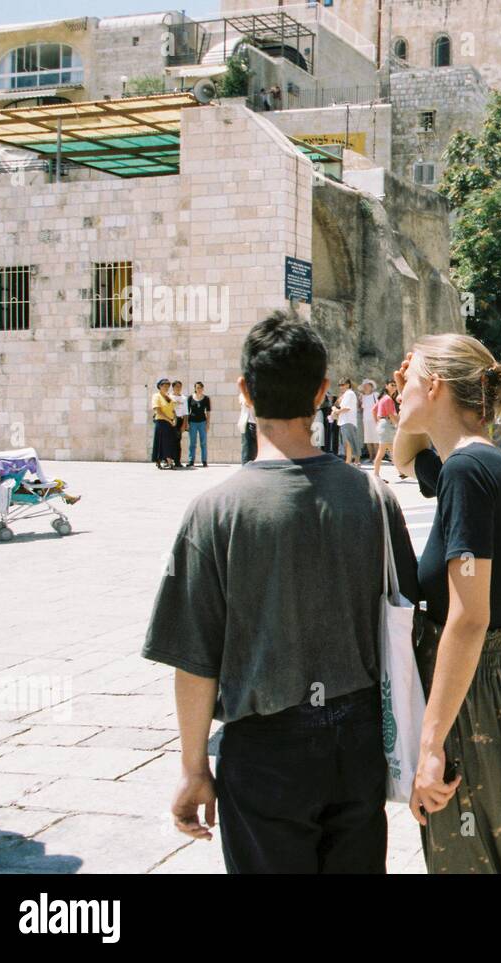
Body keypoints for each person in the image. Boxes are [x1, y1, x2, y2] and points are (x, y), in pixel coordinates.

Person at [144, 310, 421, 873]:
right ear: (323, 392)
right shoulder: (373, 499)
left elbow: (195, 659)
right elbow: (409, 624)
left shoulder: (214, 513)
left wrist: (194, 767)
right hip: (359, 742)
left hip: (265, 749)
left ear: (244, 391)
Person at [390, 334, 501, 874]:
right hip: (480, 691)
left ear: (434, 385)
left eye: (406, 380)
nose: (395, 391)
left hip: (467, 701)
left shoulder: (465, 472)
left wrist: (430, 747)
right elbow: (404, 455)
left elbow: (469, 616)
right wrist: (413, 396)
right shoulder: (475, 462)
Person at [371, 380, 400, 480]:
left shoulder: (383, 398)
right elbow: (391, 415)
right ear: (386, 386)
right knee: (382, 451)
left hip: (384, 425)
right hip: (387, 425)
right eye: (392, 385)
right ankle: (376, 474)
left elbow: (374, 410)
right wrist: (398, 425)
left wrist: (378, 423)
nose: (394, 387)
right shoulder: (388, 399)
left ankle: (401, 471)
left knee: (391, 450)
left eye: (395, 385)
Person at [331, 378, 360, 465]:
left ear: (348, 384)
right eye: (339, 385)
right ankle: (354, 461)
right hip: (346, 421)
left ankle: (349, 461)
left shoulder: (349, 394)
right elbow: (336, 405)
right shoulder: (345, 394)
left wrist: (336, 411)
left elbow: (346, 408)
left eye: (342, 385)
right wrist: (334, 408)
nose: (341, 387)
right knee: (349, 441)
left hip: (347, 421)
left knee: (348, 442)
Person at [150, 378, 177, 470]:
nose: (166, 387)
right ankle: (160, 460)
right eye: (164, 385)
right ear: (159, 386)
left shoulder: (169, 396)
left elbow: (173, 410)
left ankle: (169, 460)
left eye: (167, 386)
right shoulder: (156, 396)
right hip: (161, 422)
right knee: (161, 442)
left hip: (170, 422)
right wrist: (169, 420)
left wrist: (174, 419)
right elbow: (158, 411)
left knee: (169, 442)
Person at [186, 381, 210, 468]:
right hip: (192, 422)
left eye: (200, 387)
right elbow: (187, 412)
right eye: (197, 387)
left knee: (203, 442)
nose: (199, 389)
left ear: (202, 388)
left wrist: (207, 423)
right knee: (192, 443)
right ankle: (191, 460)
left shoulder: (206, 398)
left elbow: (208, 412)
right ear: (195, 388)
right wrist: (187, 423)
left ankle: (204, 461)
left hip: (202, 422)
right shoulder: (190, 398)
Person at [360, 379, 380, 463]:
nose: (366, 387)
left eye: (367, 385)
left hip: (374, 419)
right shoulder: (363, 397)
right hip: (366, 419)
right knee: (368, 439)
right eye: (364, 386)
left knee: (376, 439)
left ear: (371, 387)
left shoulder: (375, 395)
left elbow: (379, 406)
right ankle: (371, 457)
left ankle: (377, 457)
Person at [170, 381, 187, 468]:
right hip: (171, 420)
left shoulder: (184, 398)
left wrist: (184, 424)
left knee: (177, 441)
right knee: (169, 441)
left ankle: (177, 461)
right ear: (173, 387)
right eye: (176, 386)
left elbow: (185, 412)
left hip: (180, 421)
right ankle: (168, 460)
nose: (178, 388)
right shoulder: (169, 397)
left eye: (180, 386)